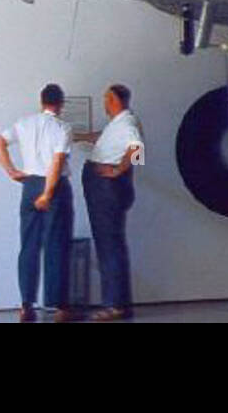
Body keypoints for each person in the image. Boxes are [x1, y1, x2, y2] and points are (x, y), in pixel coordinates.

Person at [0, 83, 75, 322]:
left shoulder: (24, 123)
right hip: (54, 189)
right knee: (56, 244)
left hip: (29, 185)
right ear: (61, 104)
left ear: (41, 101)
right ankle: (58, 307)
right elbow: (57, 162)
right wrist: (47, 194)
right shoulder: (63, 128)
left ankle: (26, 305)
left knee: (28, 245)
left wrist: (11, 170)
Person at [79, 83, 144, 321]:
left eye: (107, 98)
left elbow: (136, 150)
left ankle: (114, 306)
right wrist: (79, 137)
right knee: (111, 244)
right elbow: (103, 137)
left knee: (109, 246)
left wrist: (117, 170)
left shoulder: (127, 123)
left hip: (107, 190)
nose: (104, 103)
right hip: (105, 188)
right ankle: (119, 304)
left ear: (115, 100)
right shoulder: (117, 124)